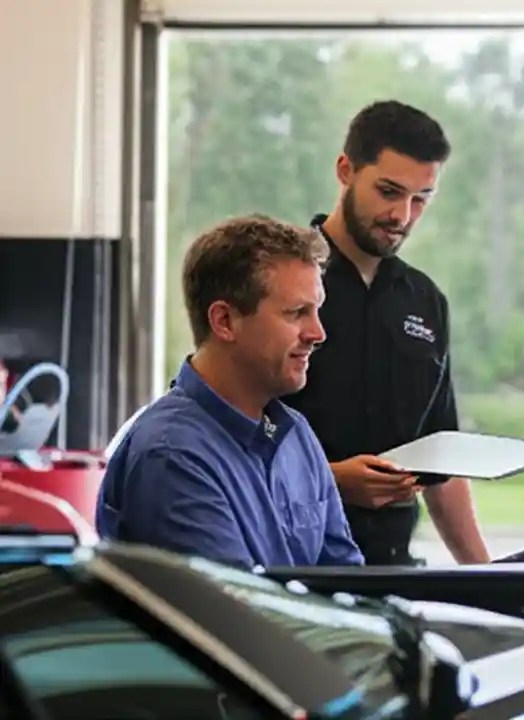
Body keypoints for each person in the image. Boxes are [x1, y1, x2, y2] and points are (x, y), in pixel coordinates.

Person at [284, 100, 490, 566]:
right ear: (345, 170)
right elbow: (230, 442)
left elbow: (441, 463)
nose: (402, 215)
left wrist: (490, 580)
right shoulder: (280, 280)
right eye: (388, 191)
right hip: (290, 566)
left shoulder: (425, 301)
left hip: (392, 570)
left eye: (421, 199)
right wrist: (332, 479)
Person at [96, 215, 365, 569]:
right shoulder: (172, 456)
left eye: (316, 311)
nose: (318, 333)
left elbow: (348, 581)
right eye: (297, 312)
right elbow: (230, 601)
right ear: (224, 321)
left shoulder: (295, 434)